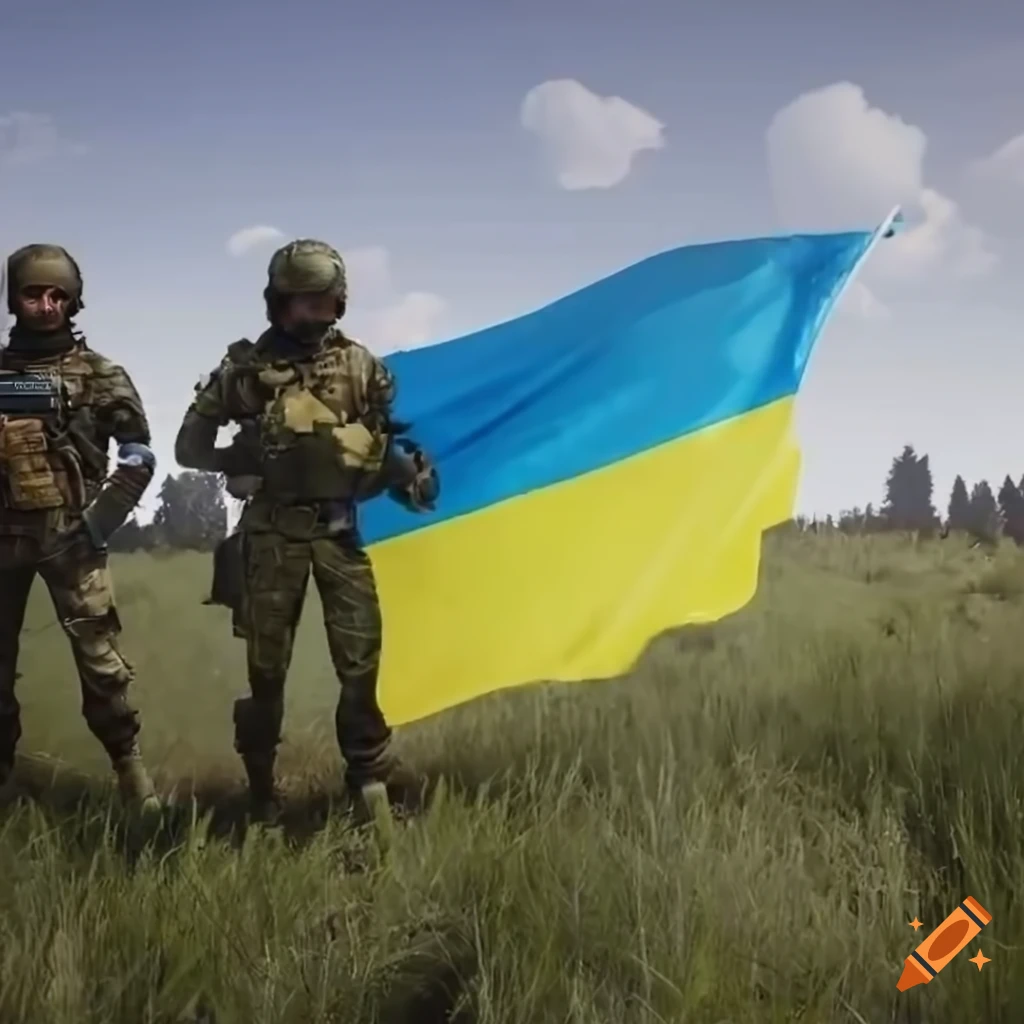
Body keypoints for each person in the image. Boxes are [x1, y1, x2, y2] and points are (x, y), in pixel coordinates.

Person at [174, 238, 439, 821]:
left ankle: (368, 779)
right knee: (267, 673)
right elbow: (188, 447)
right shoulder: (243, 370)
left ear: (339, 301)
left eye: (323, 299)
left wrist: (401, 473)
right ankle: (261, 792)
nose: (313, 311)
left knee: (360, 667)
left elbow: (383, 444)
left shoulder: (362, 366)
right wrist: (240, 459)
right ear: (278, 303)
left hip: (339, 535)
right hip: (271, 538)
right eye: (301, 300)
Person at [0, 244, 160, 813]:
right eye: (32, 294)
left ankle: (132, 775)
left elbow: (139, 456)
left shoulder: (102, 375)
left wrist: (97, 525)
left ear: (73, 301)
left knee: (101, 664)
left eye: (57, 296)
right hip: (4, 537)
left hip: (72, 539)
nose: (46, 306)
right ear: (13, 297)